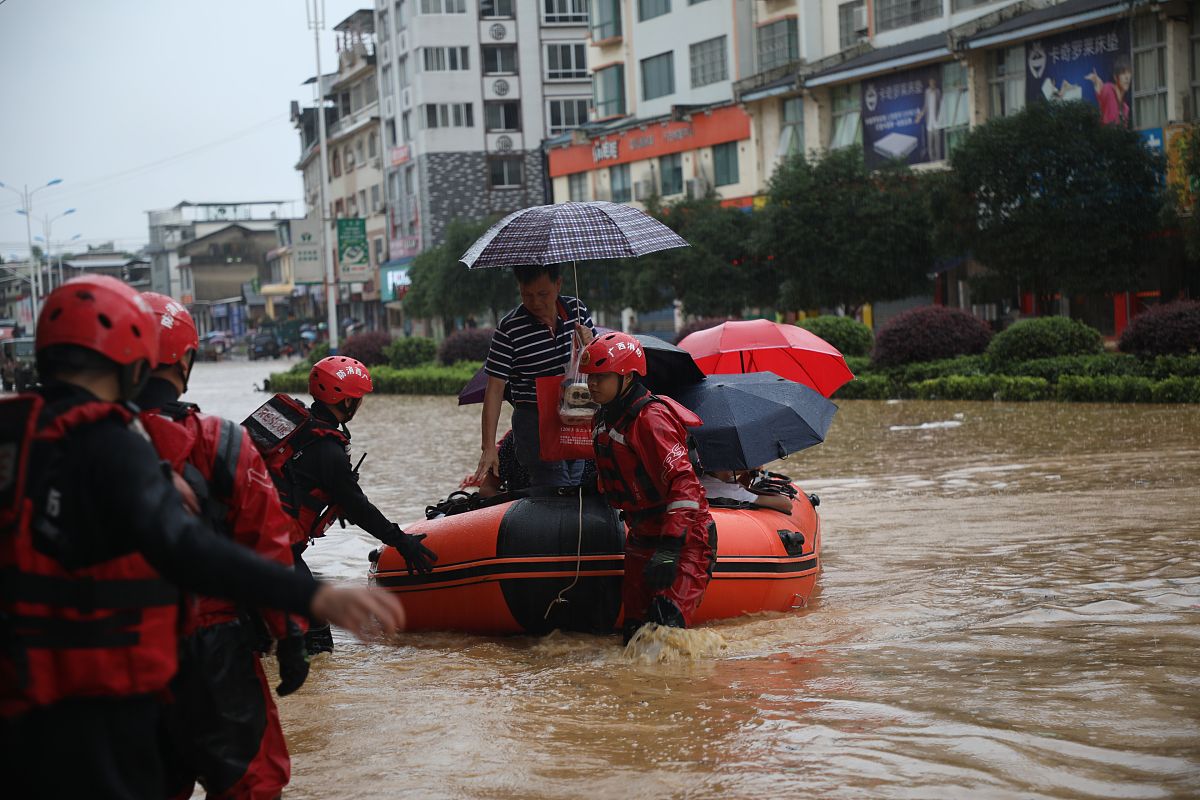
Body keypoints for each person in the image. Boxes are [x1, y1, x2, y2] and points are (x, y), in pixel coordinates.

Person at [0, 275, 404, 799]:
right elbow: (238, 545)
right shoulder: (183, 440)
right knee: (252, 782)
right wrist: (299, 620)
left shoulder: (21, 438)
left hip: (39, 672)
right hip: (192, 647)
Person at [135, 293, 304, 800]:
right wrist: (290, 635)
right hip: (215, 650)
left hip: (123, 651)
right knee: (252, 785)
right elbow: (267, 544)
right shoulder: (217, 440)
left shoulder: (80, 442)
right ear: (185, 361)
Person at [246, 355, 437, 655]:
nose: (359, 405)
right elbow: (359, 506)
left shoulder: (296, 427)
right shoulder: (327, 449)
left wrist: (338, 505)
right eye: (357, 398)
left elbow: (297, 480)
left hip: (247, 536)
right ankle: (315, 698)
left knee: (262, 639)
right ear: (345, 402)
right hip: (274, 548)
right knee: (317, 640)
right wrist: (402, 542)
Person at [579, 331, 717, 644]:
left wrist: (670, 547)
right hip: (642, 536)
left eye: (601, 377)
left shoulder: (651, 419)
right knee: (633, 636)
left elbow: (685, 485)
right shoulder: (602, 420)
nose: (592, 385)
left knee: (664, 634)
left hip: (685, 539)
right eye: (590, 378)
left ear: (626, 377)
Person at [475, 264, 595, 489]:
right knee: (555, 488)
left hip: (576, 413)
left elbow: (599, 364)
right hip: (535, 422)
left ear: (558, 284)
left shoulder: (576, 310)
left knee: (577, 485)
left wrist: (591, 344)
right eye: (527, 295)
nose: (536, 302)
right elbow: (495, 389)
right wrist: (488, 447)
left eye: (543, 294)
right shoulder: (509, 329)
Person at [700, 469, 793, 514]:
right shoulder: (729, 491)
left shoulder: (697, 480)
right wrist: (749, 468)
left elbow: (737, 488)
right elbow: (786, 504)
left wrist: (747, 474)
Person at [1084, 55, 1132, 127]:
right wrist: (1097, 83)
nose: (1127, 77)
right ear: (1115, 77)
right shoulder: (1108, 89)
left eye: (1129, 73)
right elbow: (1101, 93)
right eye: (1123, 73)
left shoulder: (1125, 108)